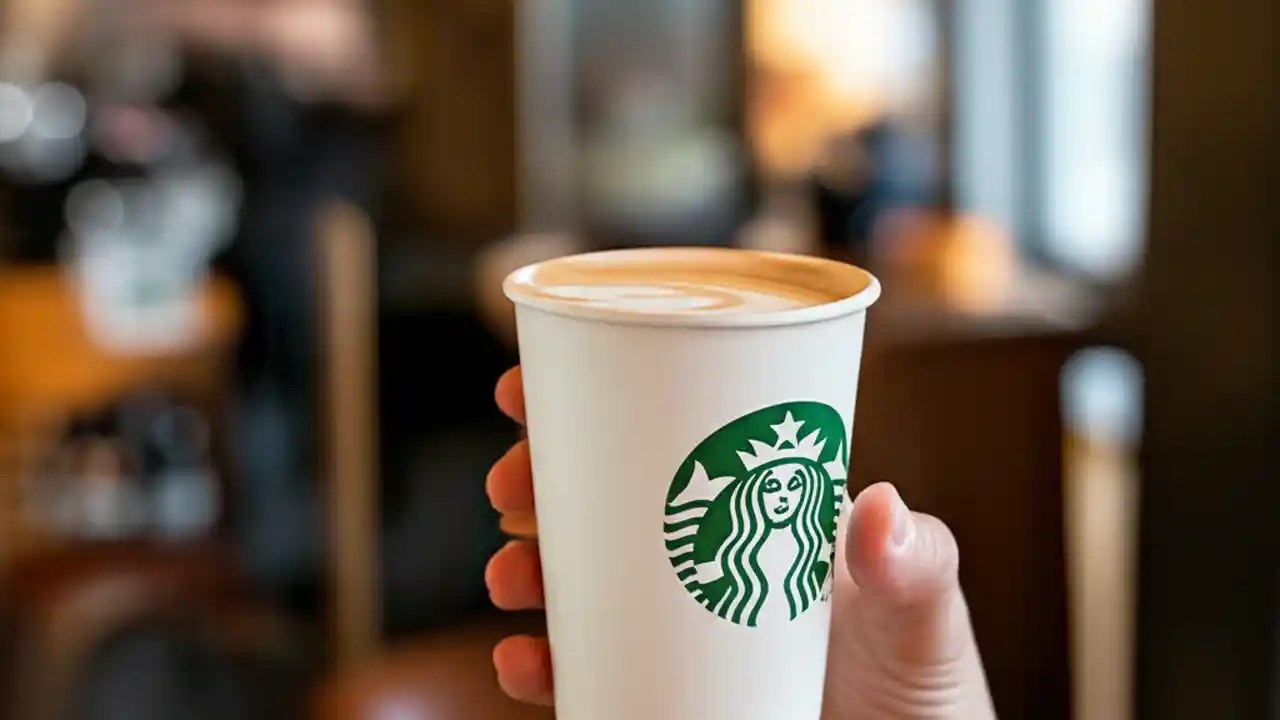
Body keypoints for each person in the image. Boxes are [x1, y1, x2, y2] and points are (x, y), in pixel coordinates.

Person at [484, 366, 998, 718]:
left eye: (796, 485)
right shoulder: (733, 570)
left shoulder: (807, 577)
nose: (783, 497)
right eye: (770, 485)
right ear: (748, 496)